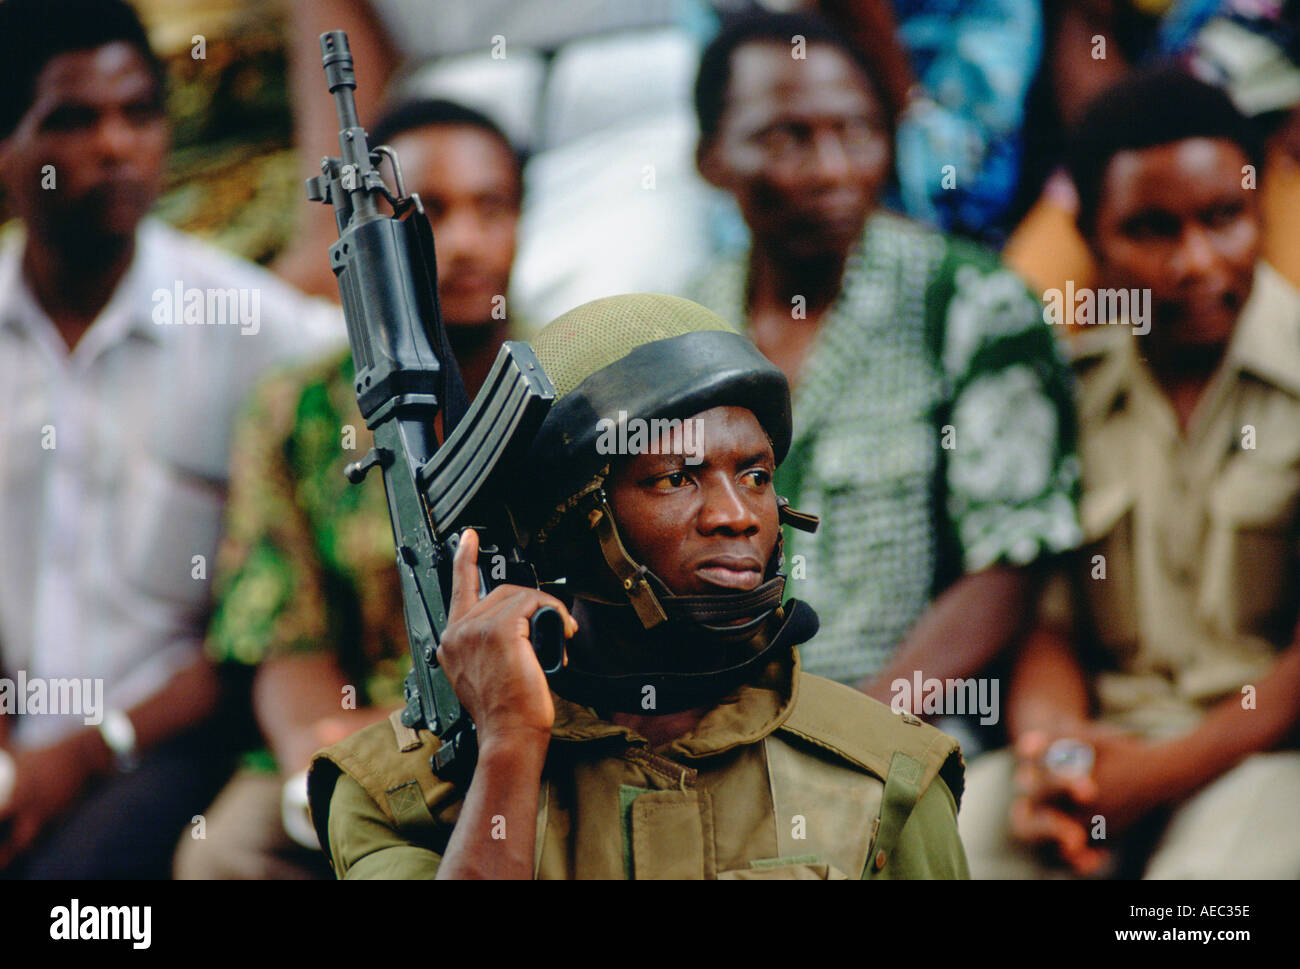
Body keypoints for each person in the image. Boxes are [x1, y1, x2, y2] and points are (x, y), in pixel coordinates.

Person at [308, 293, 970, 879]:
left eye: (756, 475)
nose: (736, 514)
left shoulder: (885, 776)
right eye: (674, 478)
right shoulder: (395, 793)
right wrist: (508, 749)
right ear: (569, 522)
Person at [0, 0, 341, 878]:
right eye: (72, 120)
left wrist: (82, 751)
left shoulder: (254, 327)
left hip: (172, 738)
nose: (115, 146)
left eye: (139, 113)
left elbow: (268, 606)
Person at [687, 12, 1081, 721]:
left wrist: (861, 730)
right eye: (787, 136)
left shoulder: (967, 302)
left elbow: (1010, 566)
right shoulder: (681, 331)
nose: (832, 169)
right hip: (718, 741)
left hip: (916, 739)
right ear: (711, 158)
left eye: (857, 131)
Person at [959, 69, 1300, 879]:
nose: (1195, 261)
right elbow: (1049, 619)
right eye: (1151, 228)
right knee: (937, 847)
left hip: (1265, 759)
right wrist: (1056, 760)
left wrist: (1156, 777)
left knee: (1190, 909)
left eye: (1223, 218)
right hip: (1105, 753)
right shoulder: (1071, 390)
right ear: (1093, 240)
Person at [175, 99, 525, 879]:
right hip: (365, 728)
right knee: (222, 856)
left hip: (541, 723)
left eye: (491, 207)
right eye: (430, 215)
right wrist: (318, 740)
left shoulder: (567, 378)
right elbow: (281, 626)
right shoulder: (295, 408)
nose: (464, 242)